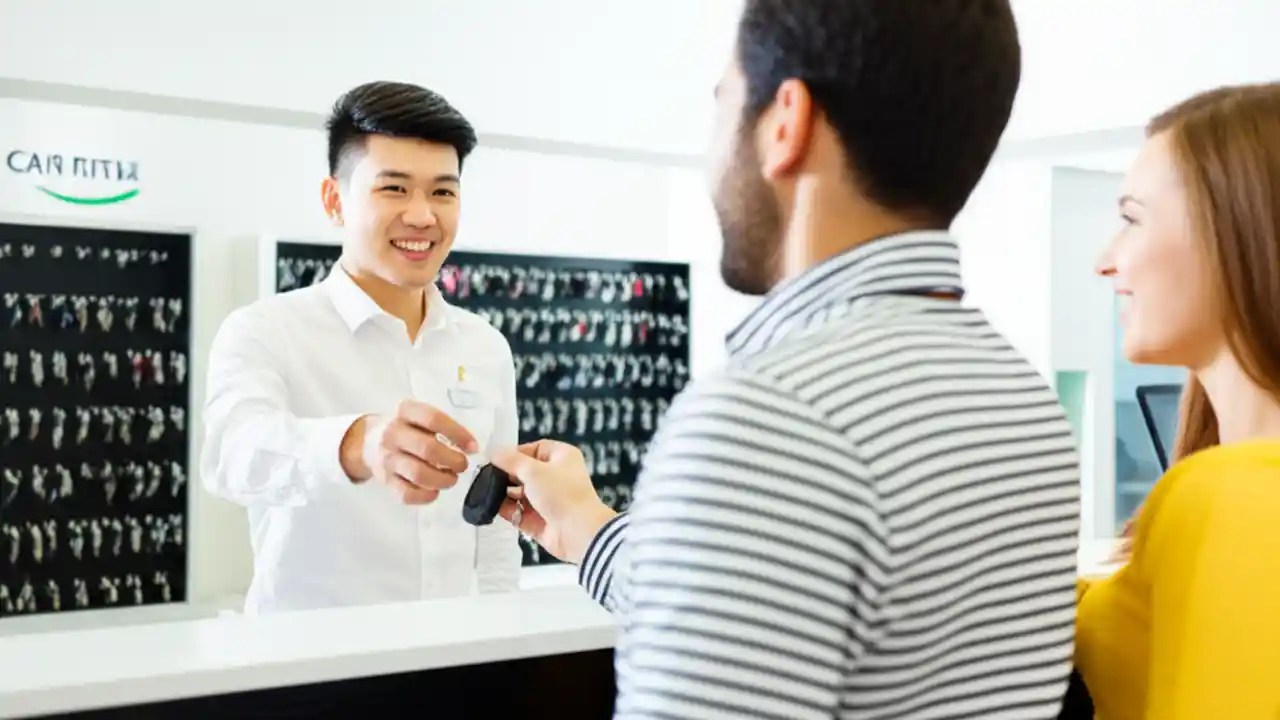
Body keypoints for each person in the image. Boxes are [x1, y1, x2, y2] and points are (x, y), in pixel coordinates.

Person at [492, 1, 1082, 717]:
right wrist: (589, 531)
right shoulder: (1018, 398)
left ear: (785, 123)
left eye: (723, 108)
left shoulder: (768, 418)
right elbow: (789, 625)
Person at [201, 81, 521, 615]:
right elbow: (233, 455)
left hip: (454, 665)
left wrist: (500, 639)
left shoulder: (485, 346)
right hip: (310, 673)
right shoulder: (264, 330)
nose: (422, 216)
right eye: (394, 189)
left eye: (443, 191)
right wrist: (354, 444)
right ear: (335, 201)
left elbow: (492, 527)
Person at [1076, 82, 1280, 719]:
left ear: (1239, 232)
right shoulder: (1217, 493)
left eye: (1132, 219)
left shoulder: (1236, 496)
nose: (1106, 261)